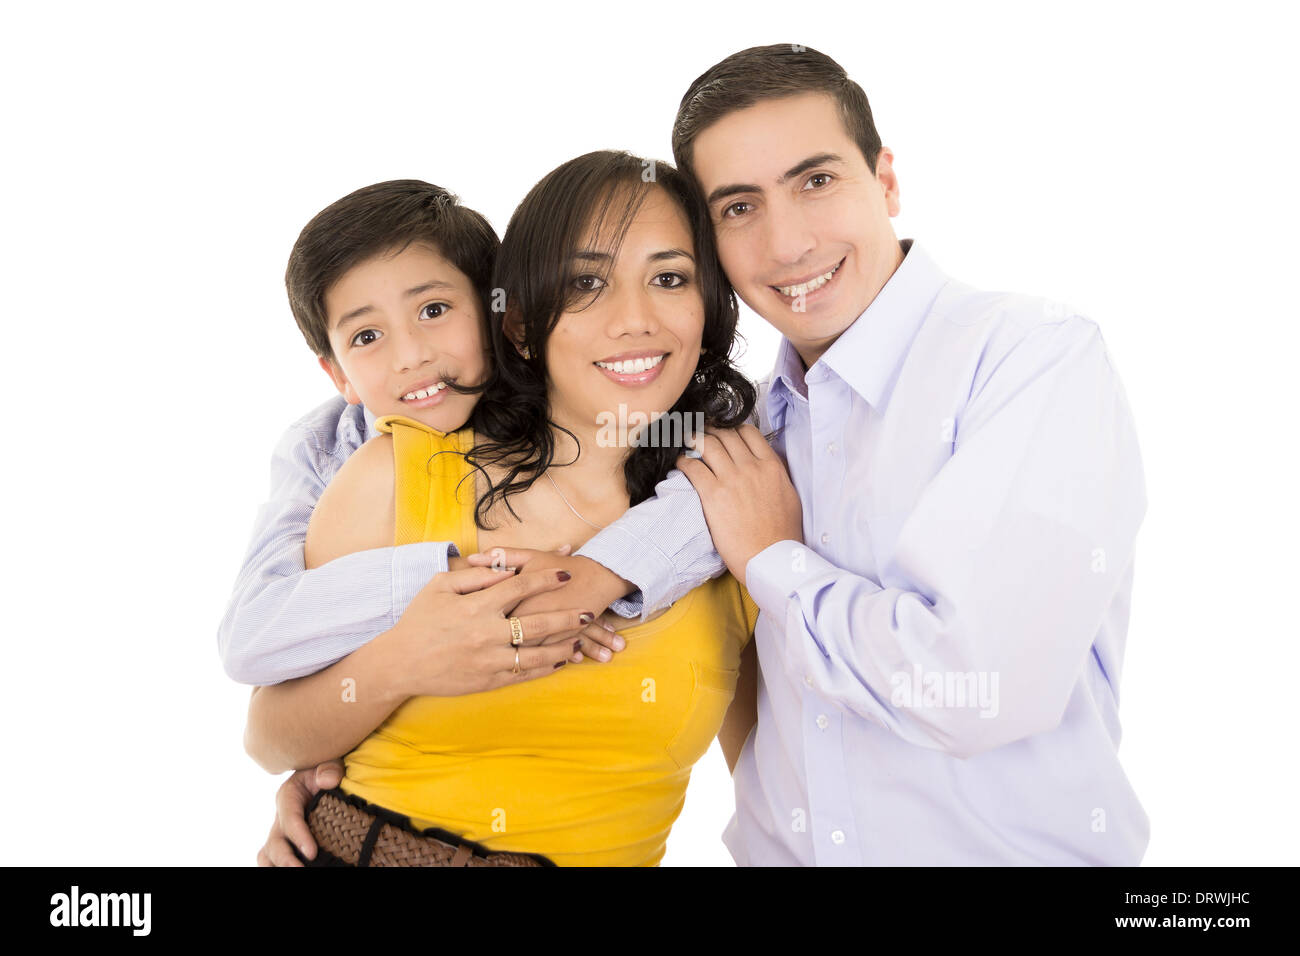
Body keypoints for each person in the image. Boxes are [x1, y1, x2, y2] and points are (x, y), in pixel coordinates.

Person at [265, 43, 1149, 868]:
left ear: (885, 178)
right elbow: (278, 714)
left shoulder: (1016, 362)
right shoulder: (752, 445)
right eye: (738, 207)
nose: (788, 241)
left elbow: (969, 687)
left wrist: (761, 558)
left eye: (816, 180)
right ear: (523, 320)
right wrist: (348, 783)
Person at [245, 150, 761, 866]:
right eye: (586, 283)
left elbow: (784, 789)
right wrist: (405, 662)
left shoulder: (734, 506)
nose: (634, 320)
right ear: (517, 325)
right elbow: (270, 732)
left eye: (670, 278)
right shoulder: (398, 472)